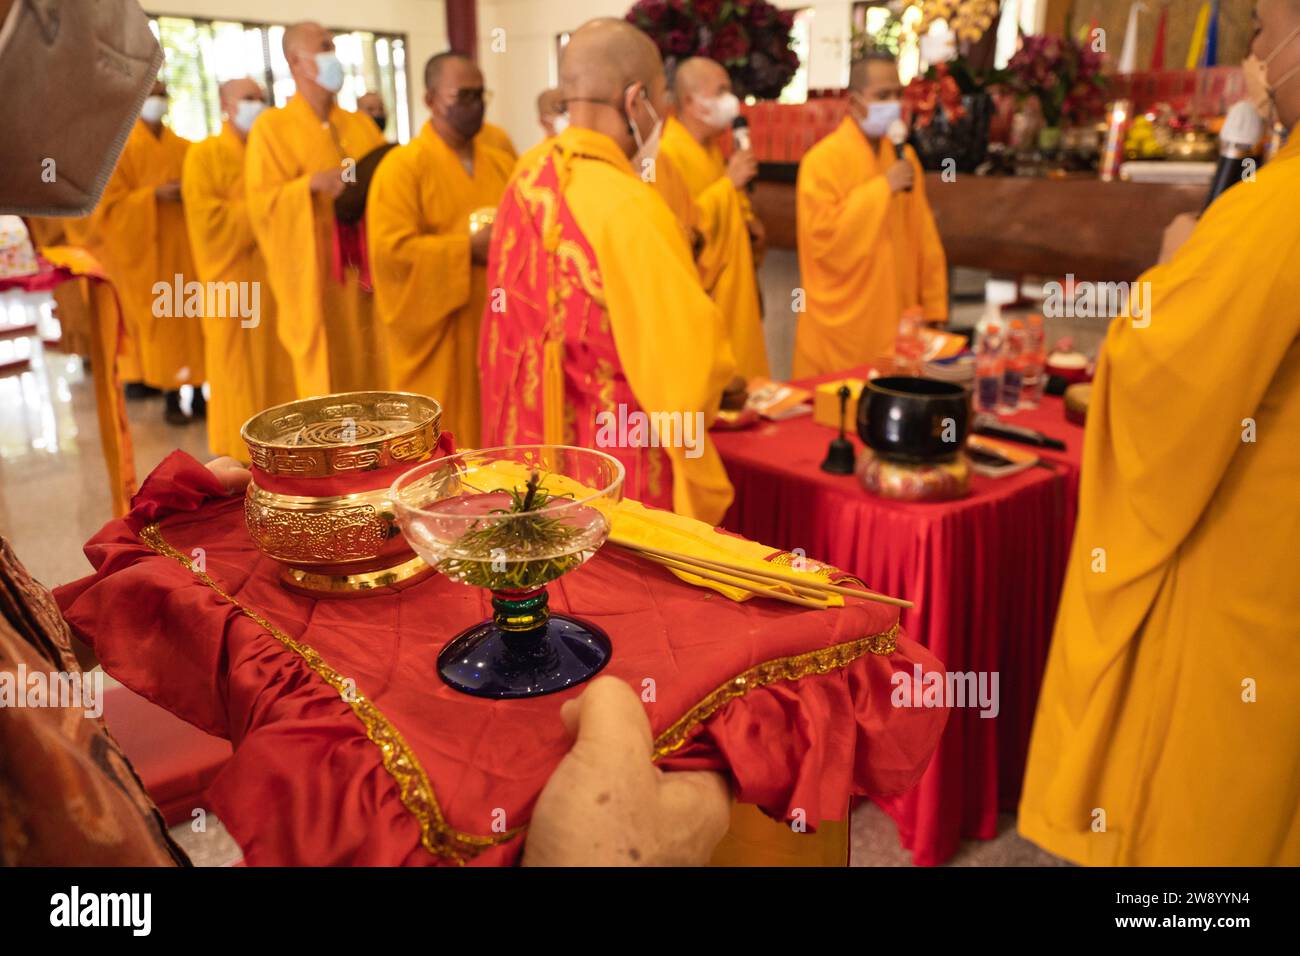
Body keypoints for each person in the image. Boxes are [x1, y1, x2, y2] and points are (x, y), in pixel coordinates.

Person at [1018, 0, 1300, 866]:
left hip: (1243, 551)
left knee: (1206, 801)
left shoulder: (1278, 209)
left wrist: (1172, 270)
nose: (1252, 50)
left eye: (1264, 28)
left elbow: (1160, 380)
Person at [479, 18, 737, 524]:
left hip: (526, 463)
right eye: (661, 99)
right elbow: (687, 372)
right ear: (635, 98)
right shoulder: (629, 206)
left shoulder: (526, 175)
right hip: (616, 473)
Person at [367, 53, 513, 445]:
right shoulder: (402, 168)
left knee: (499, 447)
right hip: (437, 337)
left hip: (495, 325)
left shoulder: (502, 163)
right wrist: (465, 250)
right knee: (445, 452)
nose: (474, 105)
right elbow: (392, 254)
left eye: (480, 95)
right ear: (430, 99)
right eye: (463, 96)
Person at [245, 21, 387, 399]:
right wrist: (307, 185)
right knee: (323, 371)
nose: (333, 56)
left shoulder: (360, 125)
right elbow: (260, 205)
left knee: (369, 363)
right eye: (324, 47)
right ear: (295, 62)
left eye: (333, 47)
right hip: (313, 277)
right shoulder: (271, 129)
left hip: (362, 276)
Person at [794, 52, 947, 377]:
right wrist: (881, 189)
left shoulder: (906, 161)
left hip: (898, 321)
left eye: (897, 94)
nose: (892, 104)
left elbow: (925, 237)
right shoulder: (822, 162)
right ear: (853, 102)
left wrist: (934, 305)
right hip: (841, 329)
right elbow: (823, 239)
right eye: (882, 96)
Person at [182, 78, 294, 460]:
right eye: (248, 99)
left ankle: (283, 445)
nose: (257, 106)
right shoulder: (204, 155)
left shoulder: (273, 153)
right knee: (237, 370)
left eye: (261, 99)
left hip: (277, 278)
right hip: (231, 284)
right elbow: (209, 223)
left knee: (279, 365)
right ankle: (238, 450)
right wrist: (268, 208)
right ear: (226, 106)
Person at [91, 80, 206, 424]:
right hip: (149, 255)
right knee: (165, 325)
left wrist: (188, 192)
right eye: (151, 93)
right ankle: (171, 396)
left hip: (187, 250)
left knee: (196, 322)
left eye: (162, 93)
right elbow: (108, 207)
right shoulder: (119, 150)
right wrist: (152, 196)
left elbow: (205, 190)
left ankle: (200, 393)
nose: (157, 100)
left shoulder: (184, 147)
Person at [657, 56, 769, 381]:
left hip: (732, 288)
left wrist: (745, 215)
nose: (730, 100)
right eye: (721, 91)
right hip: (700, 298)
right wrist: (727, 186)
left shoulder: (711, 150)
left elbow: (729, 213)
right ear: (691, 102)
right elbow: (678, 231)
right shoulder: (668, 154)